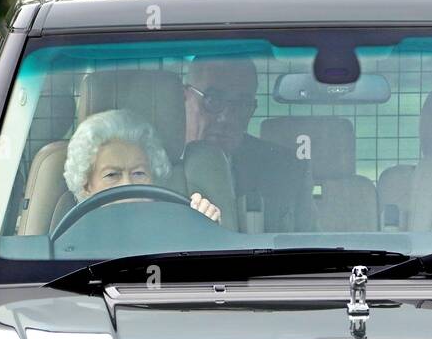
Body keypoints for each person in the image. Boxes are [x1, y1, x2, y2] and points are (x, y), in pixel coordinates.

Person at [183, 57, 316, 232]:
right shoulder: (148, 166)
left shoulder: (285, 172)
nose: (226, 117)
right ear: (184, 97)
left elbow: (310, 246)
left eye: (242, 104)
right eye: (213, 100)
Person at [63, 108, 221, 221]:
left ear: (153, 178)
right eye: (112, 175)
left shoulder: (176, 226)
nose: (127, 185)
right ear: (86, 185)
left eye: (138, 173)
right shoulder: (73, 239)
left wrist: (206, 228)